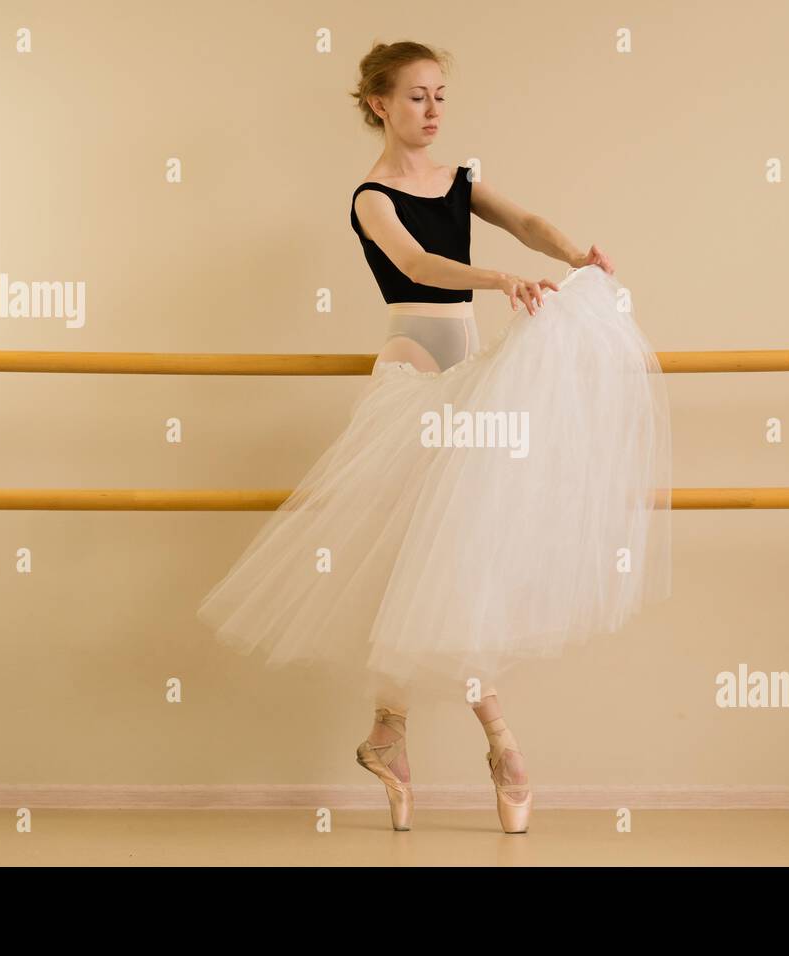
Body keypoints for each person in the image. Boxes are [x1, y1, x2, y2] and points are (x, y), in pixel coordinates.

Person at [196, 41, 672, 834]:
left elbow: (521, 218)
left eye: (442, 96)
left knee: (453, 554)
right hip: (414, 365)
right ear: (380, 104)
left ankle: (392, 734)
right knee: (430, 552)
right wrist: (501, 279)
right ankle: (499, 743)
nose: (434, 111)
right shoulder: (371, 196)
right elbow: (417, 261)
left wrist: (570, 253)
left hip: (471, 364)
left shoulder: (461, 179)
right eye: (417, 97)